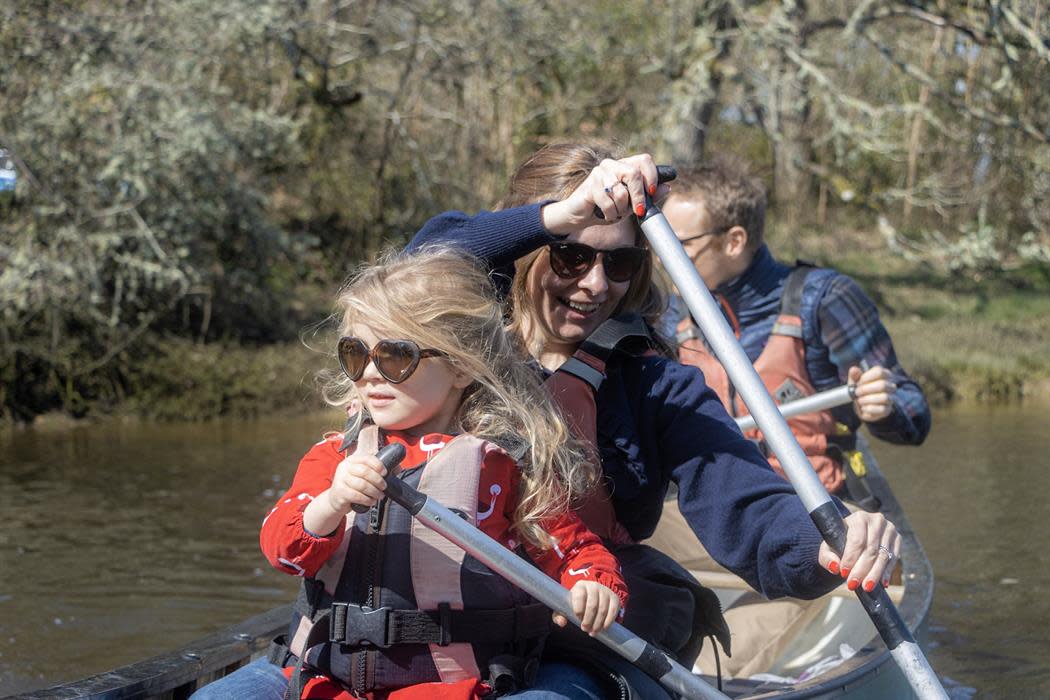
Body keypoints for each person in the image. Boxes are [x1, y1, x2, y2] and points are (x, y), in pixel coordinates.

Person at [407, 141, 901, 698]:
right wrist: (560, 214)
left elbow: (747, 502)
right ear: (528, 244)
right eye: (571, 255)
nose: (596, 285)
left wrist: (825, 541)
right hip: (425, 631)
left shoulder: (656, 385)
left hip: (570, 646)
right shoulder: (446, 343)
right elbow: (419, 263)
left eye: (617, 262)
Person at [191, 249, 627, 700]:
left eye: (396, 356)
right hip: (323, 683)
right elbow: (282, 550)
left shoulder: (501, 468)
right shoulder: (334, 458)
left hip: (458, 690)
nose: (371, 374)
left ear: (460, 366)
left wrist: (594, 585)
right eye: (356, 355)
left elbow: (574, 548)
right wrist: (332, 504)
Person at [659, 156, 931, 500]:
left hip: (818, 503)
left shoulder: (824, 299)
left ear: (734, 242)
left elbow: (915, 416)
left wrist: (884, 408)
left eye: (680, 245)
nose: (662, 257)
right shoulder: (671, 314)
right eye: (659, 242)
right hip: (720, 509)